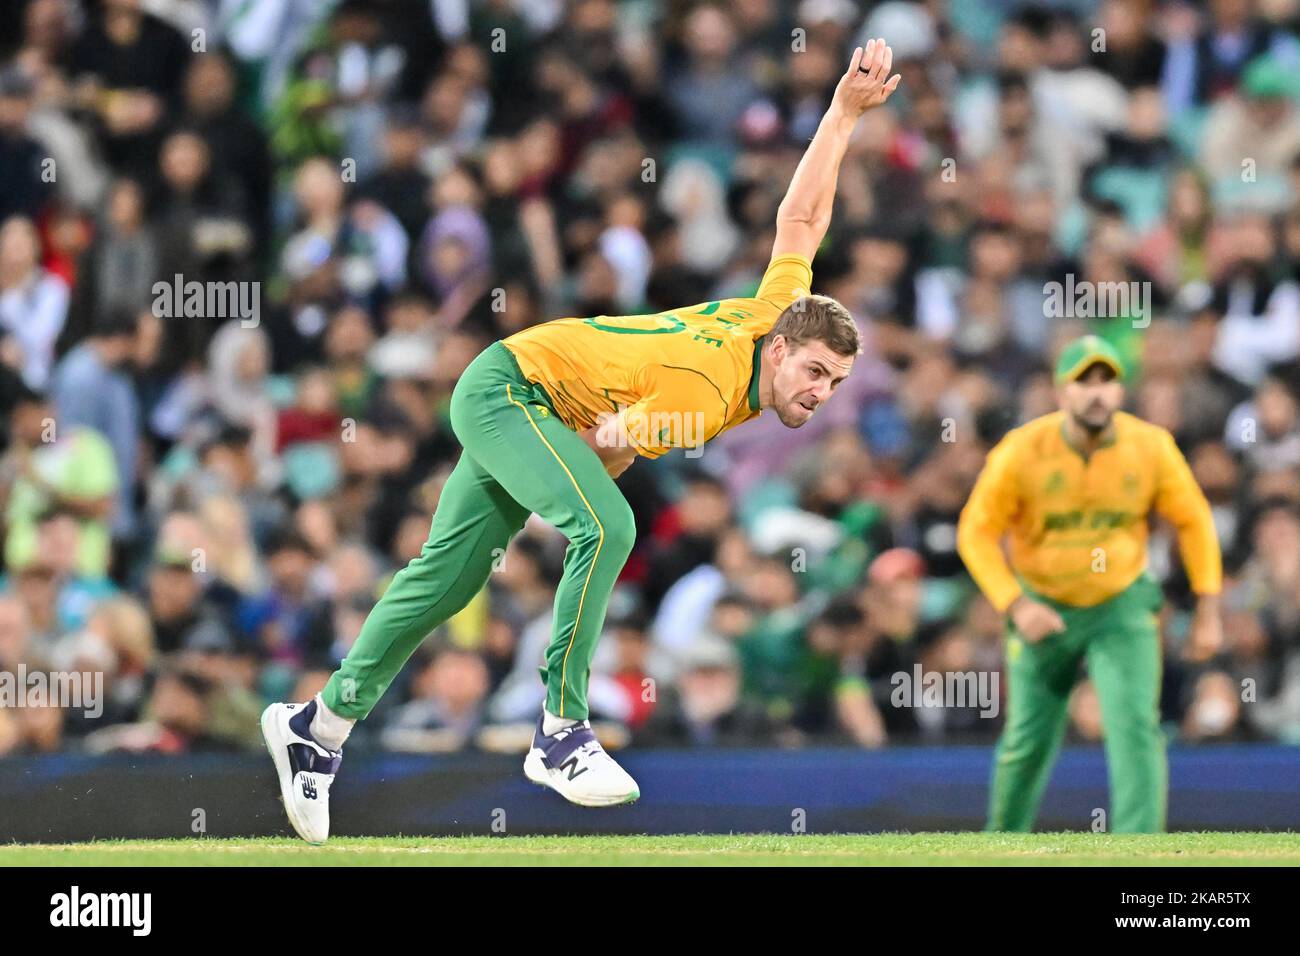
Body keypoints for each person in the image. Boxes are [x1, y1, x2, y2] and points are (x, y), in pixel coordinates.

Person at [261, 41, 902, 844]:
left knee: (447, 580)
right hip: (513, 393)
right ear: (779, 350)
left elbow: (802, 221)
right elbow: (608, 446)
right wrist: (554, 488)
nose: (820, 391)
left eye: (835, 384)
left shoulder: (778, 313)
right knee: (608, 526)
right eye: (814, 372)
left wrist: (842, 116)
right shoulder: (703, 397)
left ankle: (316, 729)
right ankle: (560, 730)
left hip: (538, 398)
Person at [957, 334, 1224, 833]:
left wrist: (1208, 608)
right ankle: (999, 849)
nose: (1097, 393)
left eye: (1107, 381)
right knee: (1026, 740)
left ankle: (1136, 855)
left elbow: (1194, 520)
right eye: (1084, 382)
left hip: (1119, 603)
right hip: (1043, 605)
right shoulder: (1022, 451)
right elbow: (975, 531)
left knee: (1134, 729)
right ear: (1061, 393)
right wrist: (1015, 606)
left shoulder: (1151, 447)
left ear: (1121, 392)